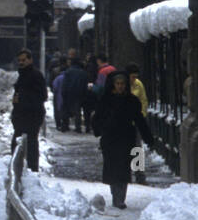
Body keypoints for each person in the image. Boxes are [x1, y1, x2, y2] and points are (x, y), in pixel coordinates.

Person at [92, 70, 154, 208]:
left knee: (124, 167)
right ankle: (115, 194)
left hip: (126, 138)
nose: (120, 86)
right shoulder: (106, 100)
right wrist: (98, 130)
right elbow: (98, 117)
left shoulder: (132, 101)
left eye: (122, 84)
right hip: (110, 138)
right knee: (112, 166)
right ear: (113, 85)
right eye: (118, 84)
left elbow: (139, 120)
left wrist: (148, 137)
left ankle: (120, 198)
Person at [11, 48, 47, 171]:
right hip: (21, 115)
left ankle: (32, 169)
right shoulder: (22, 74)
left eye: (24, 60)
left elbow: (42, 96)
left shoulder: (35, 75)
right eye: (19, 60)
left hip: (31, 115)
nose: (21, 62)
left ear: (30, 60)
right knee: (18, 143)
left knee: (31, 143)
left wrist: (22, 100)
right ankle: (18, 169)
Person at [126, 63, 149, 183]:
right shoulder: (120, 85)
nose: (134, 79)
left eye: (136, 76)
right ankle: (125, 173)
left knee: (137, 147)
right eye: (132, 76)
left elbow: (143, 101)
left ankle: (139, 174)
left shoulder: (138, 85)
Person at [60, 58, 88, 132]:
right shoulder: (83, 73)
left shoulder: (68, 72)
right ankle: (78, 127)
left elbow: (65, 83)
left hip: (68, 93)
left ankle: (65, 125)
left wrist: (63, 92)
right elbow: (85, 85)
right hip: (79, 93)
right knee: (77, 110)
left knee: (65, 109)